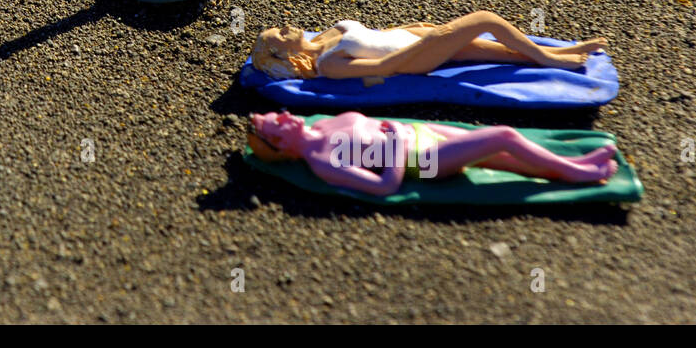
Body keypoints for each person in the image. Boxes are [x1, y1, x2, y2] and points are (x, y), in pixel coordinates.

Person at [248, 110, 620, 196]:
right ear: (280, 144)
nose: (283, 114)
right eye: (274, 123)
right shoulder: (322, 161)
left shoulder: (324, 125)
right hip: (421, 161)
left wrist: (395, 133)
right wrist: (393, 145)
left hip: (420, 134)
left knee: (502, 157)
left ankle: (571, 165)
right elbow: (385, 186)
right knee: (503, 137)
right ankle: (575, 173)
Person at [251, 11, 608, 82]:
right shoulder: (328, 65)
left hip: (416, 39)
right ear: (287, 55)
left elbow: (375, 34)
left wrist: (417, 30)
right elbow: (381, 67)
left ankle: (559, 56)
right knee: (485, 19)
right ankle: (551, 59)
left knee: (503, 54)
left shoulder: (322, 36)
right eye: (279, 36)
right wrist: (430, 44)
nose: (285, 27)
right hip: (415, 59)